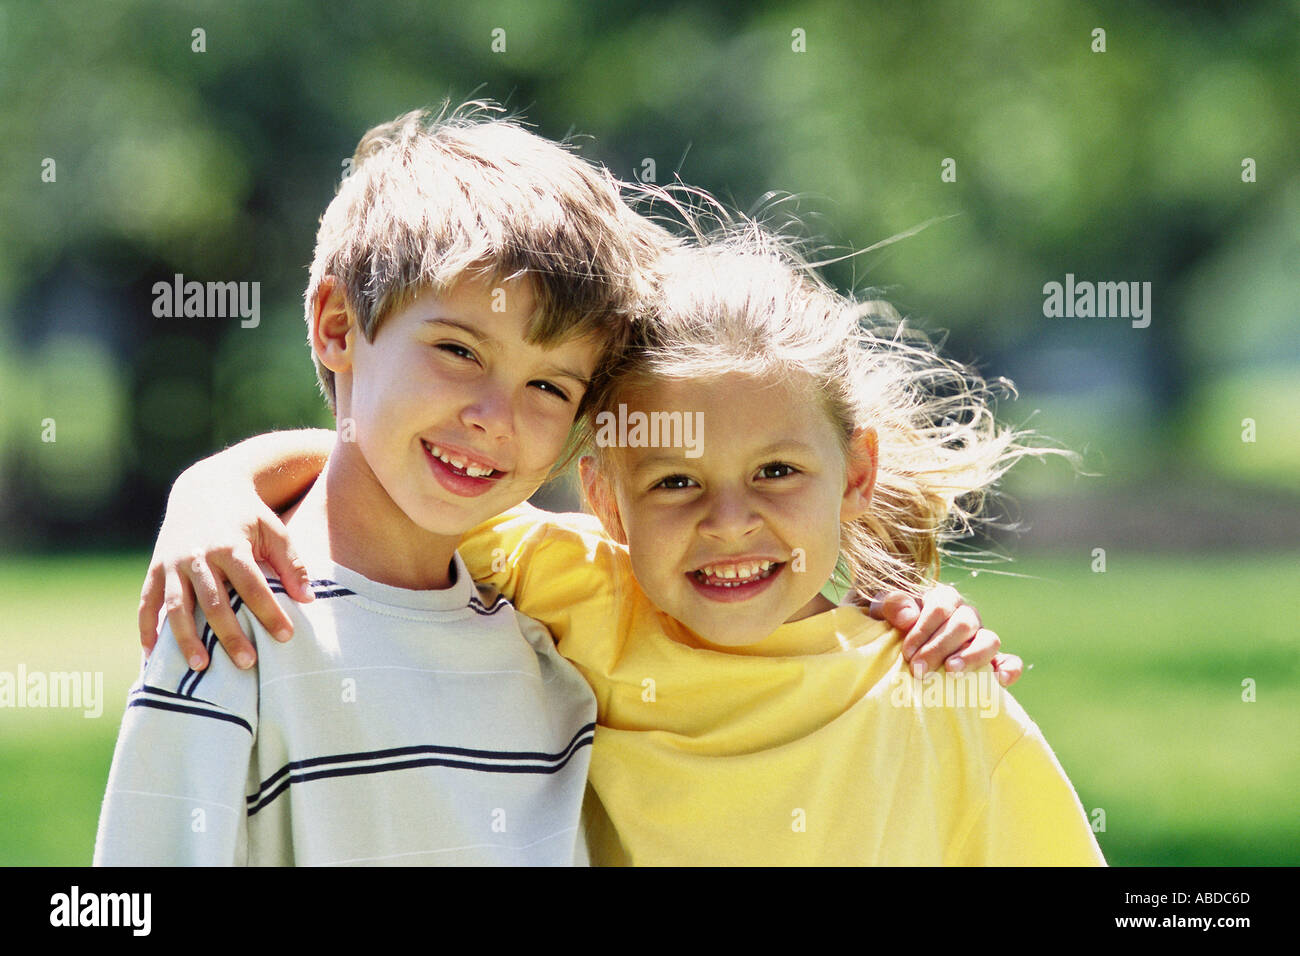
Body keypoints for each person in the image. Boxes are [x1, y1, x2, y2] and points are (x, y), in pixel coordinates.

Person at [138, 225, 1089, 865]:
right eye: (675, 482)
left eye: (777, 473)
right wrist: (212, 488)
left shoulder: (942, 699)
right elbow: (380, 467)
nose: (728, 523)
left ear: (857, 472)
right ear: (605, 496)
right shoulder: (573, 589)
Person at [94, 102, 670, 866]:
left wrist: (875, 617)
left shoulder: (550, 649)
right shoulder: (232, 623)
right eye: (460, 351)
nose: (496, 417)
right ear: (337, 325)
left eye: (550, 388)